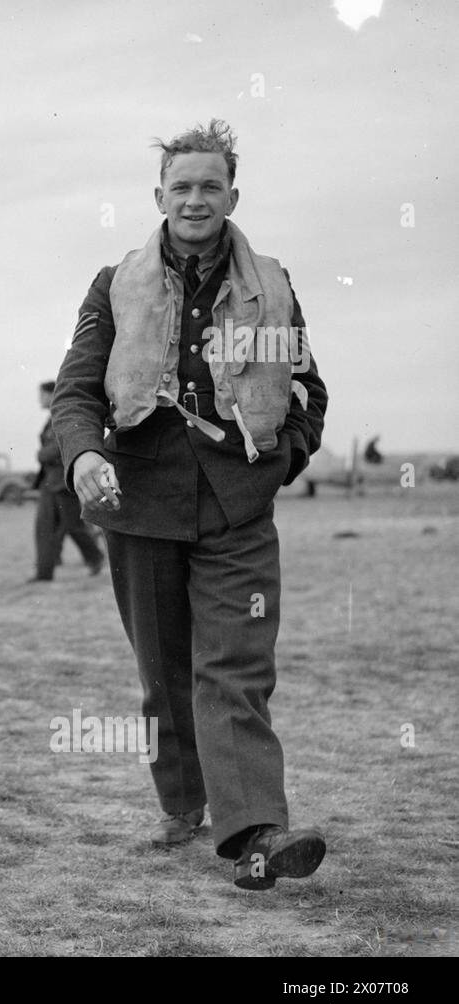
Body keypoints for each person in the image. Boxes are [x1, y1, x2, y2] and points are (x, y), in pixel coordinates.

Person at [50, 120, 329, 890]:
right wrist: (85, 455)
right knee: (165, 670)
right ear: (159, 197)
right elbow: (76, 391)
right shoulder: (113, 283)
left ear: (233, 194)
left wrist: (280, 464)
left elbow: (309, 392)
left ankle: (257, 832)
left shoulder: (273, 285)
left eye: (211, 186)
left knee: (234, 666)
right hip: (138, 501)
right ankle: (182, 804)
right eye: (182, 187)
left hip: (238, 507)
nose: (196, 200)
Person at [30, 380, 105, 582]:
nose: (39, 399)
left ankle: (96, 557)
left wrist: (41, 455)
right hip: (50, 482)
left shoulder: (60, 417)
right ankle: (43, 573)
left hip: (63, 483)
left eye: (42, 395)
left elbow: (58, 448)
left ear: (50, 395)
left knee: (74, 526)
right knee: (44, 528)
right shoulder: (52, 418)